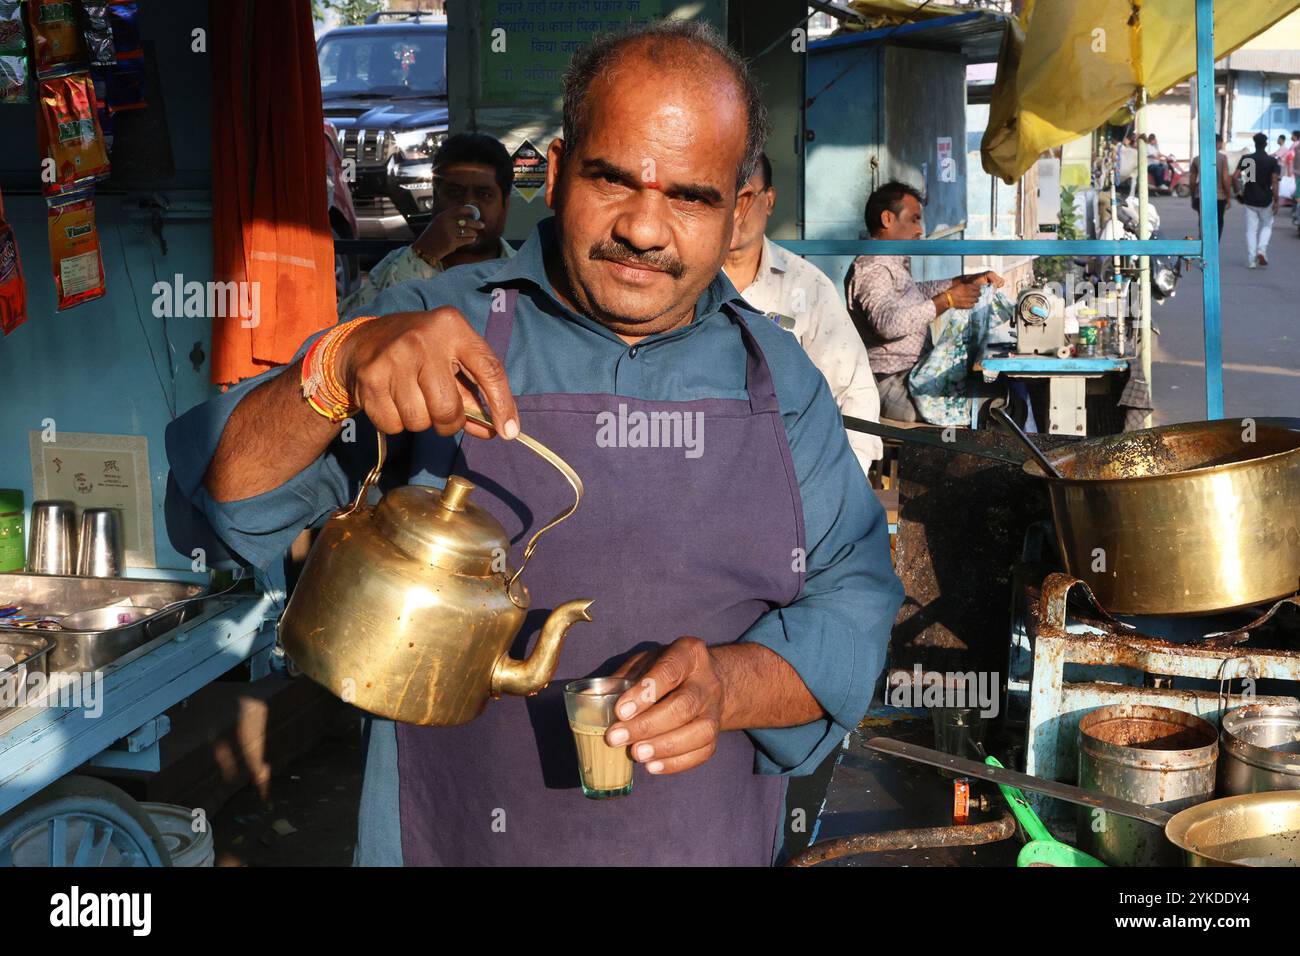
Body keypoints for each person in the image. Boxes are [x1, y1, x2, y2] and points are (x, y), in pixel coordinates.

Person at [164, 20, 903, 867]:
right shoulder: (435, 328)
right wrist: (334, 368)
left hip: (701, 840)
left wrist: (730, 687)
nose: (644, 230)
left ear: (737, 211)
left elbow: (856, 598)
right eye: (612, 180)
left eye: (689, 197)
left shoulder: (776, 377)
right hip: (451, 836)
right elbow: (226, 496)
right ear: (553, 175)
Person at [723, 152, 883, 471]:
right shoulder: (682, 284)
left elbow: (853, 389)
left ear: (769, 200)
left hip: (785, 472)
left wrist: (849, 478)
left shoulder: (807, 287)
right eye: (723, 195)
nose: (734, 212)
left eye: (746, 196)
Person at [844, 181, 1003, 423]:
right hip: (890, 382)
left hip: (911, 375)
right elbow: (888, 323)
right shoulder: (873, 266)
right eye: (914, 219)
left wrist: (963, 281)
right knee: (991, 406)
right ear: (887, 219)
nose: (920, 230)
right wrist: (947, 300)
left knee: (994, 391)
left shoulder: (890, 262)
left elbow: (915, 294)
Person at [339, 133, 516, 315]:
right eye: (455, 192)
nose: (469, 207)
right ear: (435, 196)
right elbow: (350, 331)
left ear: (505, 204)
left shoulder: (525, 274)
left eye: (483, 194)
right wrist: (424, 256)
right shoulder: (400, 264)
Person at [1234, 132, 1281, 268]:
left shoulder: (1247, 159)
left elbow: (1235, 176)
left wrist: (1238, 193)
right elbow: (1274, 180)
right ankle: (1262, 249)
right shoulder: (1271, 161)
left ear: (1254, 144)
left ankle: (1251, 260)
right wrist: (1276, 199)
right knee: (1267, 225)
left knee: (1251, 230)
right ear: (1265, 144)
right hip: (1266, 199)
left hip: (1249, 199)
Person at [1189, 134, 1231, 240]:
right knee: (1218, 221)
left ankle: (1204, 243)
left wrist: (1193, 196)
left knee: (1203, 221)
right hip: (1219, 197)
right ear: (1218, 143)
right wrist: (1228, 196)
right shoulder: (1222, 158)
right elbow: (1225, 179)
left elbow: (1192, 181)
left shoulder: (1197, 159)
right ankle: (1214, 245)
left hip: (1201, 196)